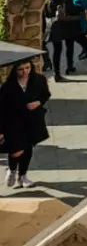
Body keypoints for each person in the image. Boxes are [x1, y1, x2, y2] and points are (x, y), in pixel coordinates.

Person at [0, 59, 51, 188]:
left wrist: (38, 103)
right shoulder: (8, 86)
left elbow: (45, 94)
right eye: (21, 69)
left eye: (27, 68)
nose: (25, 72)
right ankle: (12, 170)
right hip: (13, 122)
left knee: (28, 148)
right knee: (16, 150)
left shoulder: (39, 80)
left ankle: (22, 175)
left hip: (32, 120)